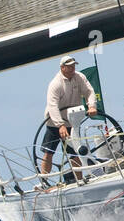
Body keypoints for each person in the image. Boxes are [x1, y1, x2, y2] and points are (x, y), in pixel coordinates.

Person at [40, 56, 98, 184]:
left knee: (74, 152)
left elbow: (89, 91)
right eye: (70, 66)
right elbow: (52, 106)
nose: (73, 68)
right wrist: (60, 124)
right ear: (62, 67)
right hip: (54, 123)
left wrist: (92, 105)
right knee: (49, 152)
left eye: (74, 65)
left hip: (72, 121)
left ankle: (80, 180)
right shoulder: (55, 84)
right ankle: (43, 182)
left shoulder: (79, 77)